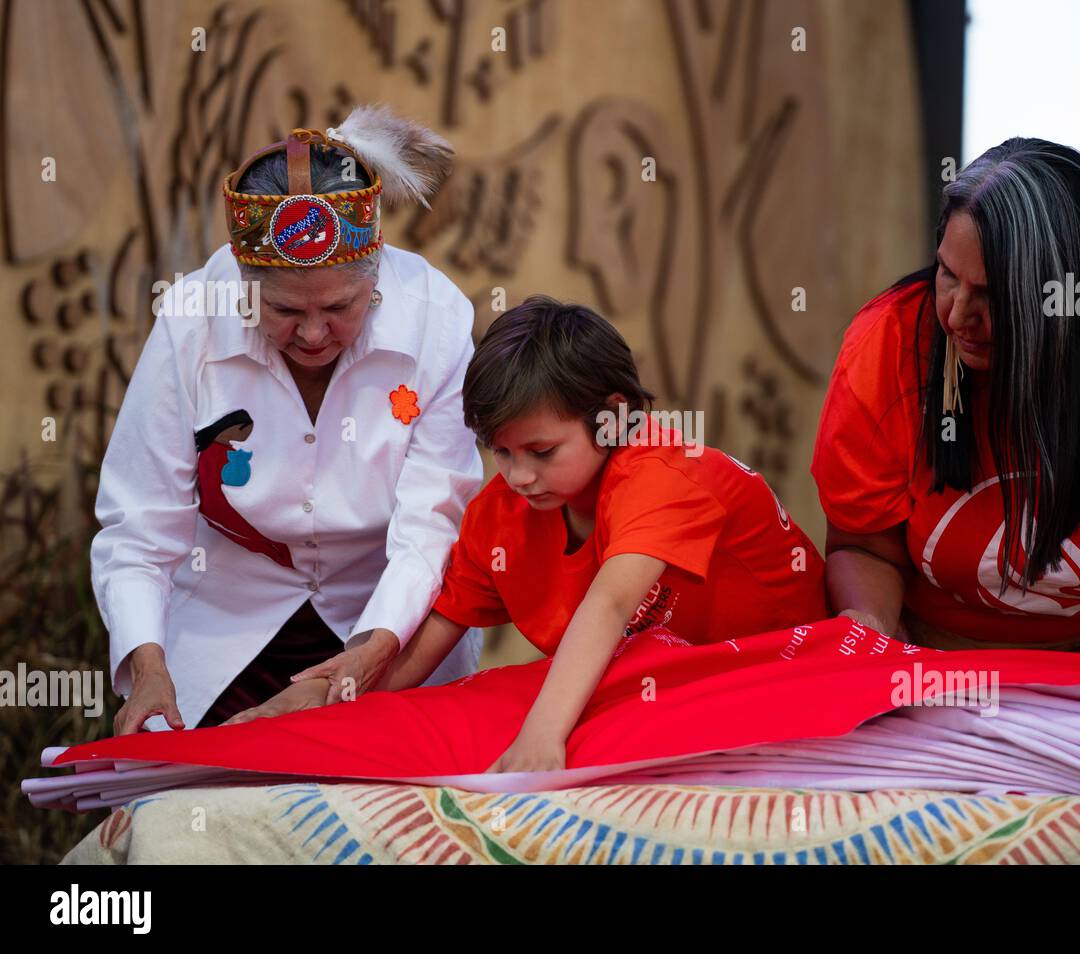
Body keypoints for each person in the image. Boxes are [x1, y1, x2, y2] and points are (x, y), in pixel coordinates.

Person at [231, 296, 830, 771]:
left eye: (542, 451)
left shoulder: (665, 471)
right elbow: (428, 639)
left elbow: (612, 601)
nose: (518, 476)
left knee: (527, 727)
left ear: (614, 416)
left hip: (789, 682)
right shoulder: (500, 514)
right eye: (501, 452)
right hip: (656, 696)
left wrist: (542, 738)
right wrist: (327, 698)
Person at [93, 105, 484, 733]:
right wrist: (147, 666)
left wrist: (374, 651)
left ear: (375, 272)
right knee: (191, 804)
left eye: (338, 307)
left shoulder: (435, 317)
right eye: (281, 310)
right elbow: (141, 524)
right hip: (218, 636)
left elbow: (433, 522)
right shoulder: (192, 317)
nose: (311, 333)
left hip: (387, 624)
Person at [813, 137, 1080, 687]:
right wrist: (873, 642)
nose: (956, 315)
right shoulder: (890, 343)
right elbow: (862, 547)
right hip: (937, 662)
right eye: (948, 275)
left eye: (996, 296)